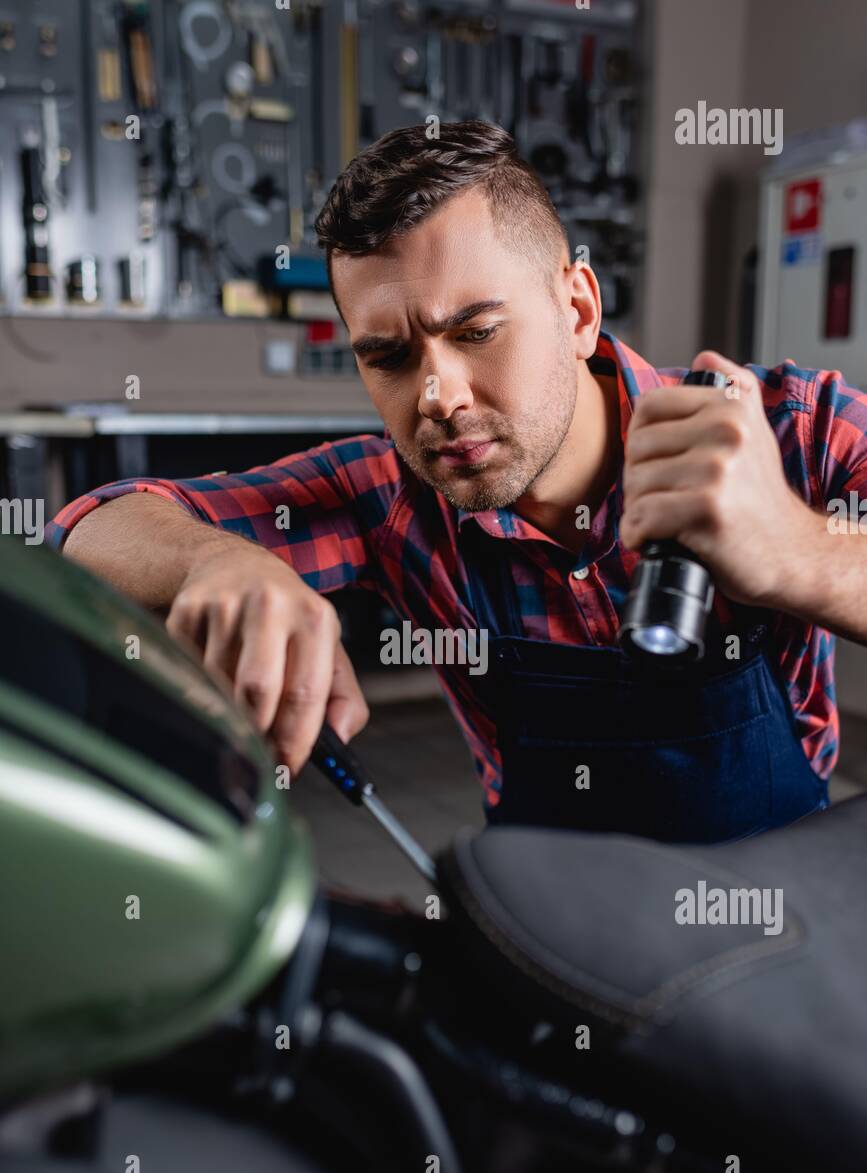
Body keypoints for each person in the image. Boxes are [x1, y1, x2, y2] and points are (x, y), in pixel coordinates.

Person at [47, 121, 867, 842]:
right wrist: (213, 561)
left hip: (775, 921)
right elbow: (86, 531)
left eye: (475, 332)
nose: (437, 396)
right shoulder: (385, 498)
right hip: (552, 919)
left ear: (577, 310)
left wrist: (797, 550)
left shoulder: (785, 429)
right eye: (389, 357)